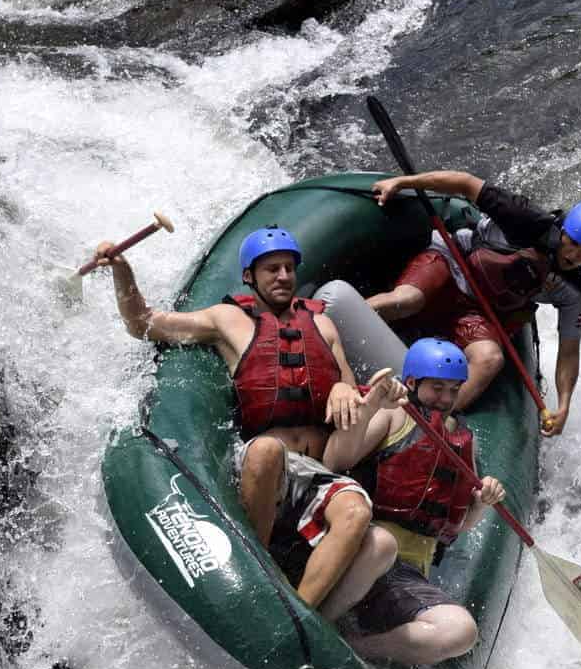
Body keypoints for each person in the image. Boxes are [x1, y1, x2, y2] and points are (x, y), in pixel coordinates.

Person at [88, 226, 395, 621]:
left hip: (318, 469)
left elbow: (350, 398)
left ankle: (298, 617)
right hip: (262, 461)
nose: (283, 276)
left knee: (355, 511)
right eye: (272, 269)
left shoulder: (323, 326)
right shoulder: (227, 320)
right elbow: (143, 322)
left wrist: (342, 388)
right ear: (249, 276)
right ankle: (259, 577)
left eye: (289, 268)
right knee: (267, 451)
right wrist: (121, 270)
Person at [364, 171, 581, 436]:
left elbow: (569, 352)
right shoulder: (525, 218)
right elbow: (465, 183)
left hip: (477, 311)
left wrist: (564, 405)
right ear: (564, 230)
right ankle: (339, 319)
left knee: (490, 359)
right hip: (452, 264)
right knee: (407, 300)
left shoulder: (573, 292)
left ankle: (430, 424)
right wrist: (401, 182)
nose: (575, 255)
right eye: (573, 243)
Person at [322, 339, 507, 664]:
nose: (446, 399)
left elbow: (460, 524)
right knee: (382, 544)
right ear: (411, 382)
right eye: (437, 388)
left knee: (461, 631)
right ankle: (318, 623)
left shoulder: (462, 439)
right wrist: (371, 405)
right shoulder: (394, 414)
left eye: (454, 389)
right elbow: (335, 461)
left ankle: (353, 650)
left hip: (405, 576)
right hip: (360, 548)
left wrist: (481, 502)